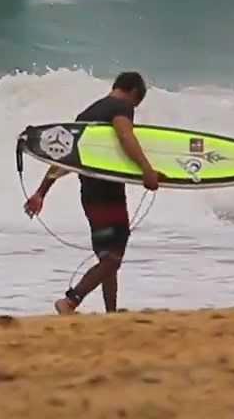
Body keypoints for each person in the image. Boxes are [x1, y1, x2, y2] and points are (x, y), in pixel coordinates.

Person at [22, 72, 163, 314]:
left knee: (107, 257)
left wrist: (41, 193)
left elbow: (65, 156)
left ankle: (111, 312)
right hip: (108, 193)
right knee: (113, 258)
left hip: (89, 193)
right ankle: (70, 301)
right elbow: (125, 135)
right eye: (136, 103)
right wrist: (146, 169)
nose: (134, 108)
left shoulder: (86, 114)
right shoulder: (121, 106)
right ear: (133, 93)